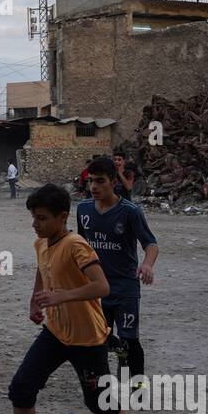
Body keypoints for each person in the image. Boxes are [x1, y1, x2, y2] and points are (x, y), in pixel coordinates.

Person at [0, 183, 148, 414]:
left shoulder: (76, 244)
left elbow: (102, 286)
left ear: (62, 217)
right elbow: (43, 269)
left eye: (42, 218)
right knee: (21, 388)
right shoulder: (41, 243)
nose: (35, 224)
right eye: (33, 218)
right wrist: (34, 302)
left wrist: (61, 295)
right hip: (55, 333)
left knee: (98, 403)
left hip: (88, 339)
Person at [77, 156, 159, 387]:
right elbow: (80, 246)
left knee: (130, 339)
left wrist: (147, 264)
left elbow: (151, 243)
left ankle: (137, 385)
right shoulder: (83, 209)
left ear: (113, 182)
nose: (93, 186)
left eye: (100, 181)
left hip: (125, 288)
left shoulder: (130, 211)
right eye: (90, 181)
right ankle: (102, 382)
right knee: (97, 338)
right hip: (95, 288)